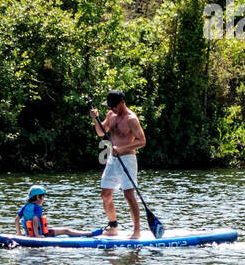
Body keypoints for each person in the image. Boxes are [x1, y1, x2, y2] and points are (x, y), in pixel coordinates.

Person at [90, 90, 147, 238]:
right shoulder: (111, 115)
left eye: (114, 106)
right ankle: (113, 227)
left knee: (128, 195)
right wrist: (96, 119)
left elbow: (142, 141)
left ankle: (137, 232)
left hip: (127, 159)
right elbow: (101, 133)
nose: (111, 109)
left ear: (122, 102)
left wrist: (121, 148)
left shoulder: (131, 119)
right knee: (105, 194)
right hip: (112, 160)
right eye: (109, 106)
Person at [15, 186, 86, 238]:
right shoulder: (37, 208)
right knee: (66, 230)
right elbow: (35, 219)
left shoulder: (25, 207)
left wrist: (19, 233)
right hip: (43, 234)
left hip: (29, 234)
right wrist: (37, 235)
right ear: (38, 197)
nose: (44, 199)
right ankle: (89, 234)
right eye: (43, 197)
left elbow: (17, 219)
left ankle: (87, 234)